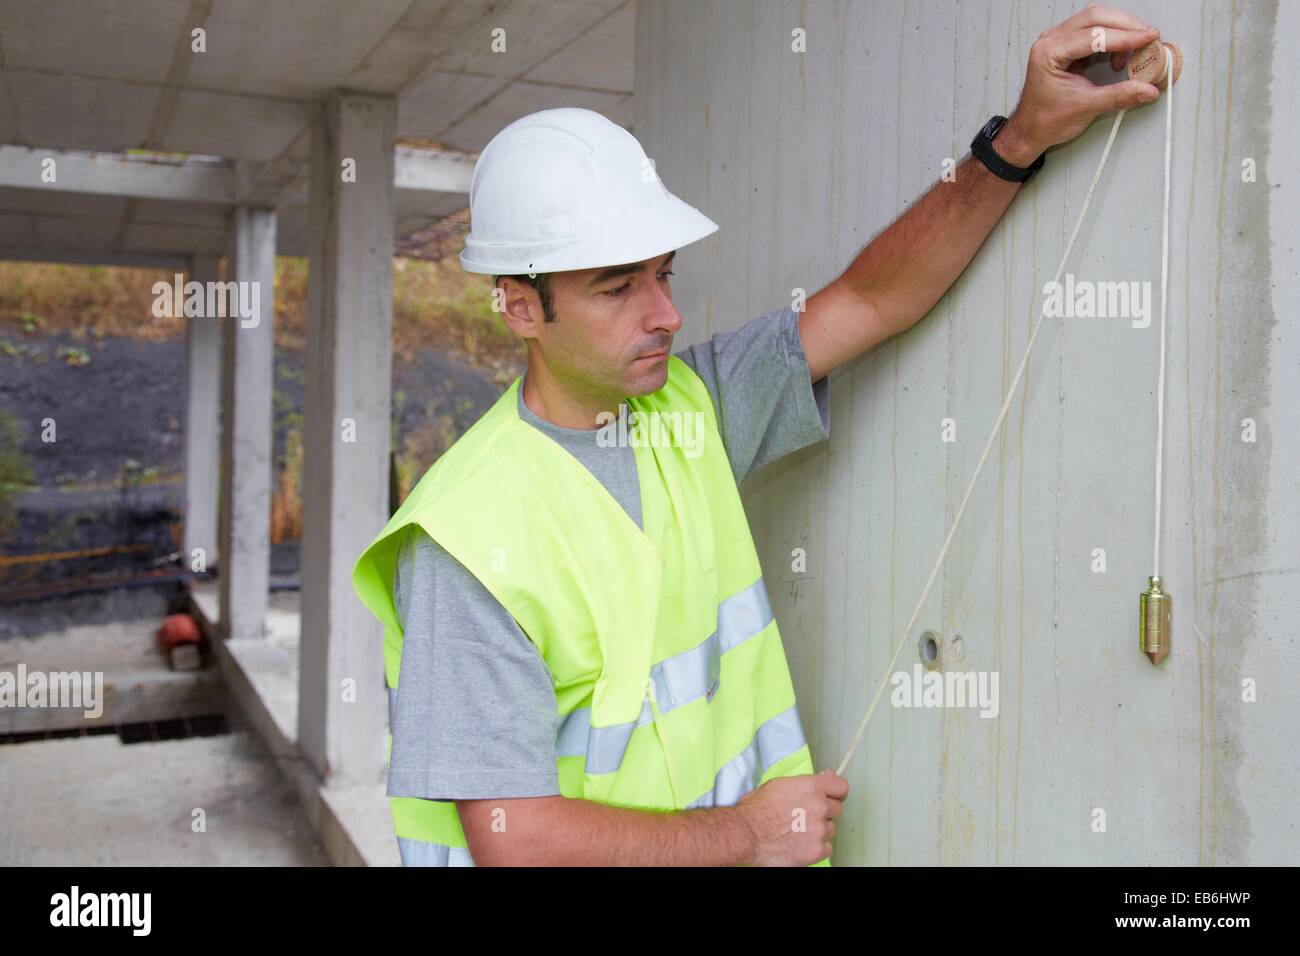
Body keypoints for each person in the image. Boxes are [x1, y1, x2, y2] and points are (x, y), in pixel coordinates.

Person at [353, 4, 1166, 867]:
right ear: (520, 307)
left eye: (664, 276)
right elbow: (515, 840)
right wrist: (748, 832)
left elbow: (868, 300)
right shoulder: (464, 541)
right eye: (616, 286)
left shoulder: (689, 408)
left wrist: (1019, 140)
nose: (664, 314)